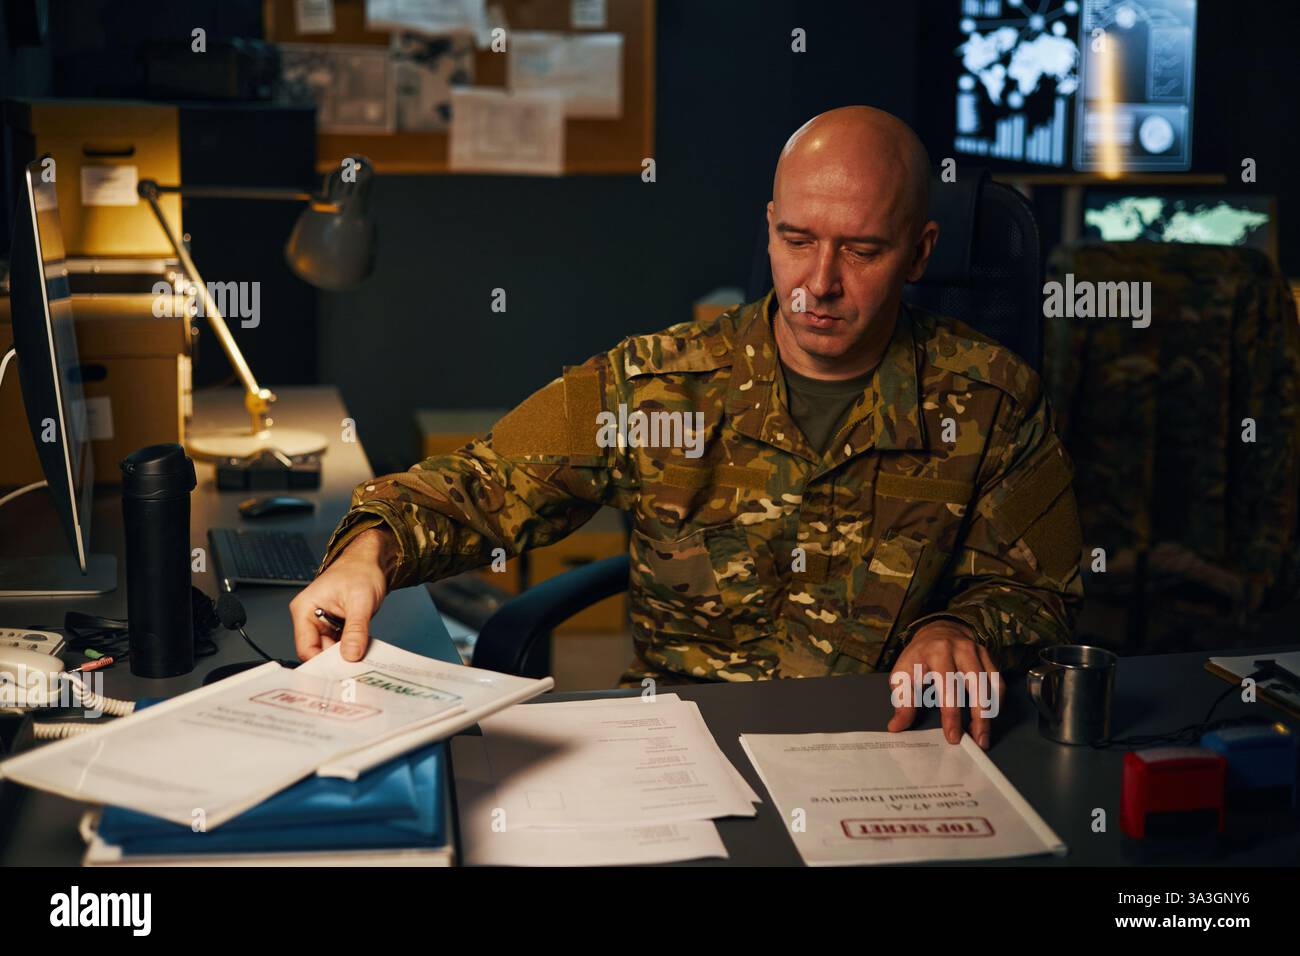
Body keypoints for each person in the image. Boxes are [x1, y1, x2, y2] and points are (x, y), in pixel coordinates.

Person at [290, 105, 1084, 750]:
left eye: (863, 250)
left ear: (920, 252)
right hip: (684, 744)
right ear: (768, 226)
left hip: (894, 742)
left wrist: (959, 625)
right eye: (796, 241)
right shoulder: (654, 383)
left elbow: (1040, 589)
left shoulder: (993, 398)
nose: (819, 284)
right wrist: (370, 550)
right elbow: (483, 481)